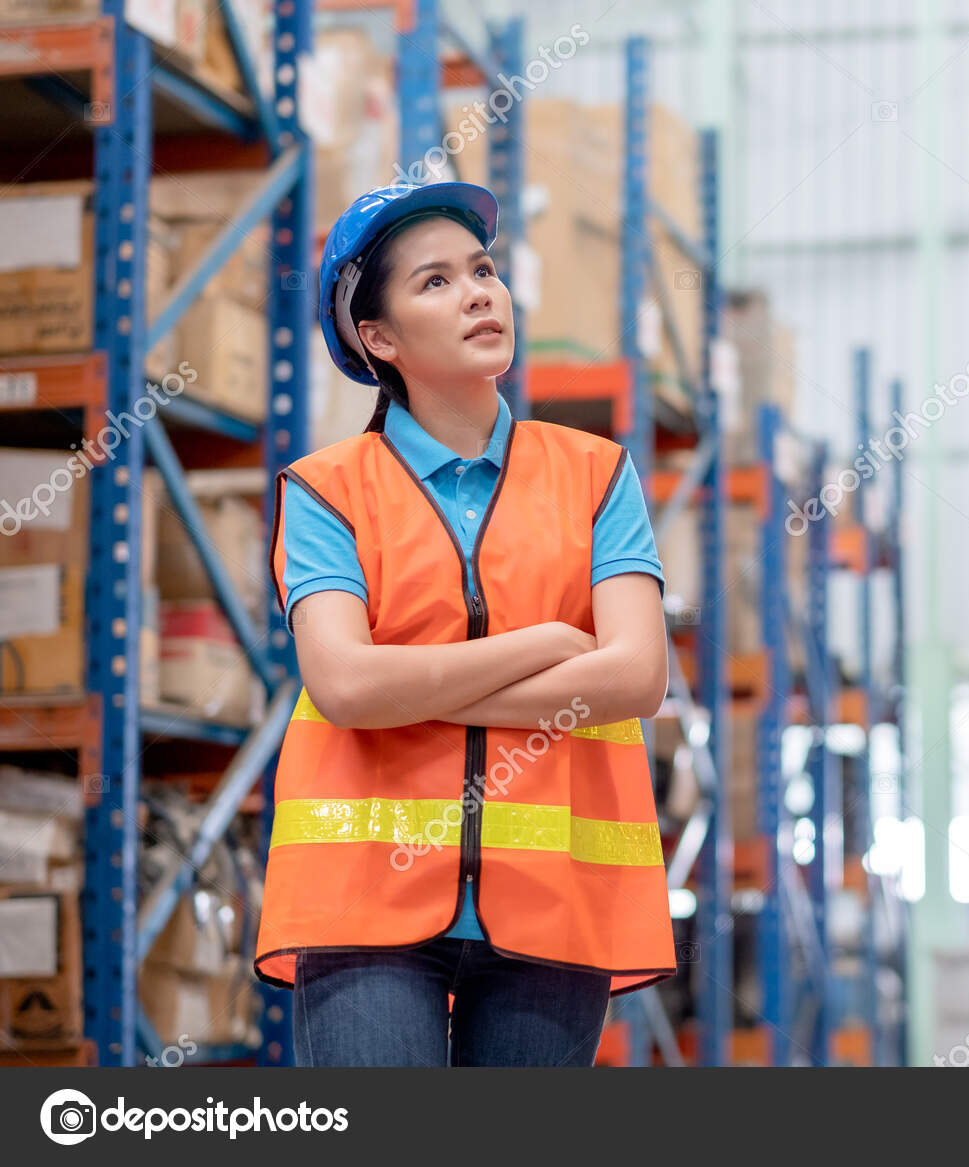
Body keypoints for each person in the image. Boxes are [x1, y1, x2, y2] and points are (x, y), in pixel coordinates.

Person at [254, 182, 677, 1067]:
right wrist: (551, 646)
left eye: (482, 269)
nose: (479, 292)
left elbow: (636, 677)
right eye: (436, 282)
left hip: (555, 902)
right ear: (379, 338)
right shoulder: (327, 490)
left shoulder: (596, 475)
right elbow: (344, 685)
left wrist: (411, 684)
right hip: (367, 902)